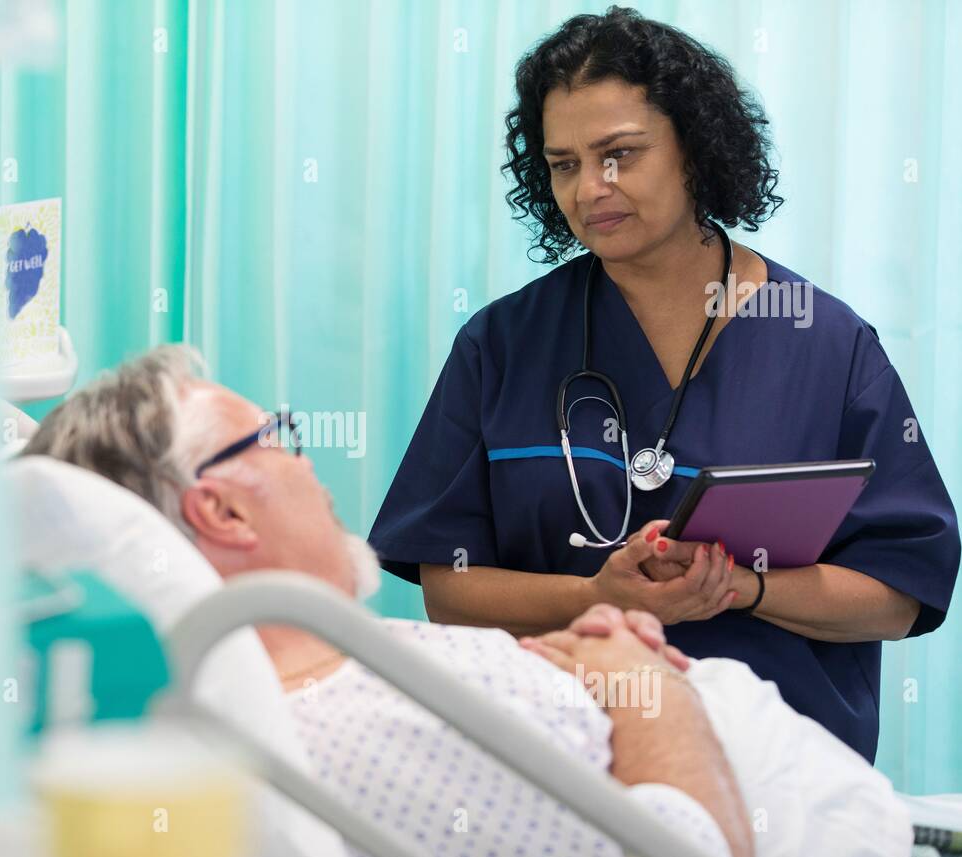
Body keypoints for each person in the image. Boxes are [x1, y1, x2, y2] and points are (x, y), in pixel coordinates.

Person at [22, 345, 911, 857]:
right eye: (278, 438)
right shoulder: (355, 720)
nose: (308, 461)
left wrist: (598, 649)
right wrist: (649, 689)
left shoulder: (357, 658)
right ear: (219, 509)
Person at [367, 6, 959, 763]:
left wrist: (743, 588)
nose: (589, 190)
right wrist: (595, 597)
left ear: (695, 149)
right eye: (564, 164)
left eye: (619, 154)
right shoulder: (503, 344)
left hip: (778, 779)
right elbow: (448, 588)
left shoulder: (827, 345)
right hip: (564, 768)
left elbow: (900, 592)